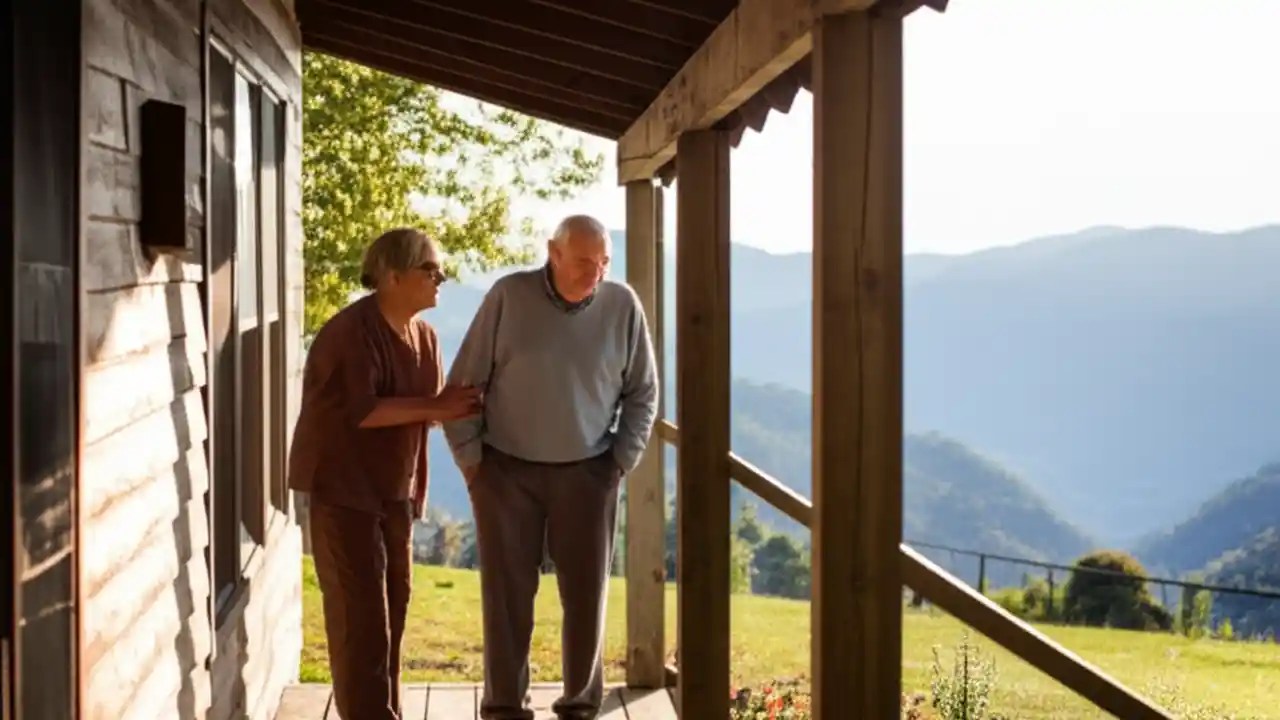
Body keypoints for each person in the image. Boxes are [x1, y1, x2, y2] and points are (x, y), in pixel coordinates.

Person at [443, 214, 659, 720]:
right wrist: (472, 463)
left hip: (589, 472)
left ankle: (580, 704)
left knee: (587, 597)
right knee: (506, 597)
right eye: (584, 261)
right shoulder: (507, 297)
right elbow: (464, 385)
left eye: (604, 262)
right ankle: (502, 706)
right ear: (553, 253)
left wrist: (620, 463)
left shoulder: (622, 304)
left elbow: (642, 393)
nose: (596, 272)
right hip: (504, 472)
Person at [287, 228, 482, 720]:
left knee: (394, 606)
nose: (441, 278)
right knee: (362, 620)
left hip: (394, 492)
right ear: (393, 276)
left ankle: (386, 710)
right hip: (343, 491)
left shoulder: (425, 336)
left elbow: (432, 408)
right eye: (430, 269)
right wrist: (437, 405)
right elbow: (364, 411)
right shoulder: (349, 333)